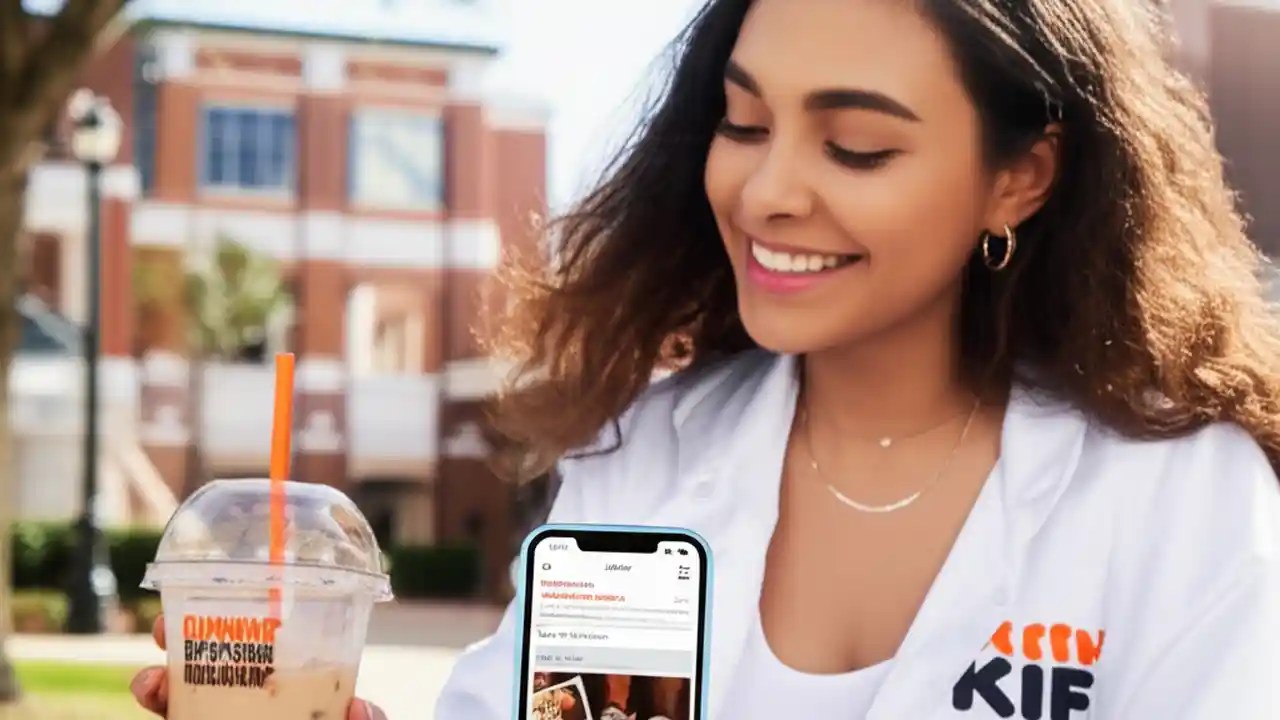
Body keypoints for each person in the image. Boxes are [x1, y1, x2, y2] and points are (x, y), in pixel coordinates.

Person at [136, 0, 1280, 718]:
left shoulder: (1176, 497)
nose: (766, 191)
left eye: (855, 145)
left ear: (1017, 178)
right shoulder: (645, 459)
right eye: (744, 124)